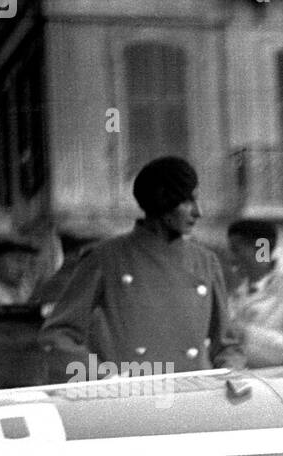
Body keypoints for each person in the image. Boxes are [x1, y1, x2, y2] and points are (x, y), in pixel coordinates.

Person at [39, 155, 243, 374]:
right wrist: (103, 378)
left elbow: (227, 346)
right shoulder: (106, 258)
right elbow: (57, 335)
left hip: (195, 395)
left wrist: (229, 376)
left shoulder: (206, 262)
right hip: (135, 397)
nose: (198, 212)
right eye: (187, 201)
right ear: (162, 200)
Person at [226, 218, 283, 368]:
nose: (231, 258)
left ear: (262, 248)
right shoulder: (234, 293)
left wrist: (244, 335)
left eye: (236, 250)